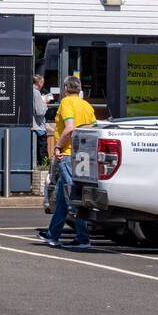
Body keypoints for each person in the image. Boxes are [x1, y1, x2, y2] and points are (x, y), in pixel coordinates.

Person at [38, 76, 95, 251]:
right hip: (82, 155)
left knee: (72, 195)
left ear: (64, 88)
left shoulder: (66, 103)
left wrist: (57, 146)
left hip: (67, 154)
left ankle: (83, 237)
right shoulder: (86, 105)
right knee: (63, 196)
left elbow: (69, 128)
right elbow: (92, 128)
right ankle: (53, 234)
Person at [30, 75, 48, 164]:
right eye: (42, 83)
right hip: (38, 127)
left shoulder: (29, 90)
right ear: (39, 83)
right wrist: (45, 103)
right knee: (42, 154)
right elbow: (40, 112)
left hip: (32, 126)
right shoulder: (36, 93)